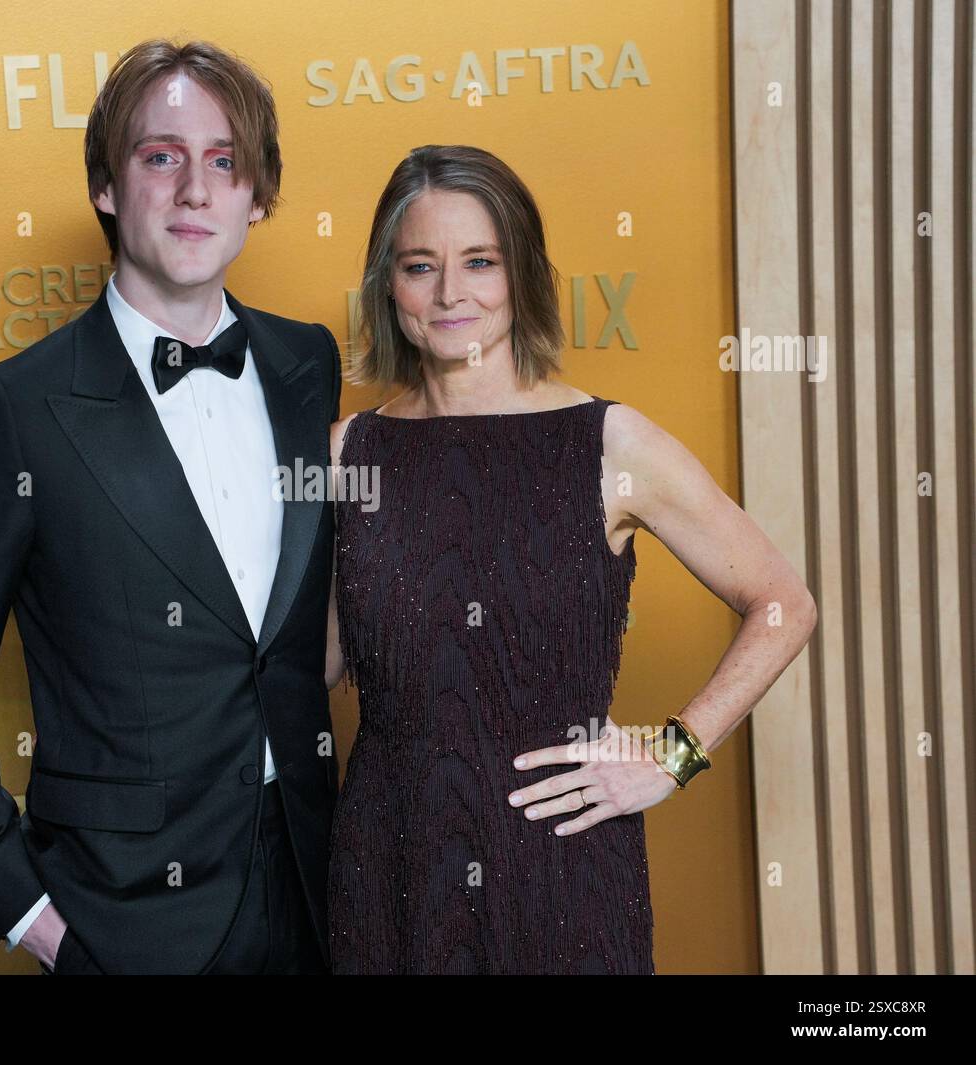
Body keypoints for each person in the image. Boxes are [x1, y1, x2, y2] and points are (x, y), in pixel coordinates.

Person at [0, 39, 341, 975]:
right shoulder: (16, 410)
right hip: (125, 921)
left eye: (225, 161)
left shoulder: (309, 364)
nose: (195, 190)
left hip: (319, 885)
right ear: (105, 184)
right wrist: (35, 918)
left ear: (257, 197)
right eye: (160, 156)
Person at [323, 145, 818, 974]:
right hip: (385, 870)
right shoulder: (347, 452)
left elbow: (783, 602)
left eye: (480, 261)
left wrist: (673, 754)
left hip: (564, 870)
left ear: (521, 273)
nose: (451, 293)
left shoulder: (610, 441)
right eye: (420, 266)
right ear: (388, 286)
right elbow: (311, 665)